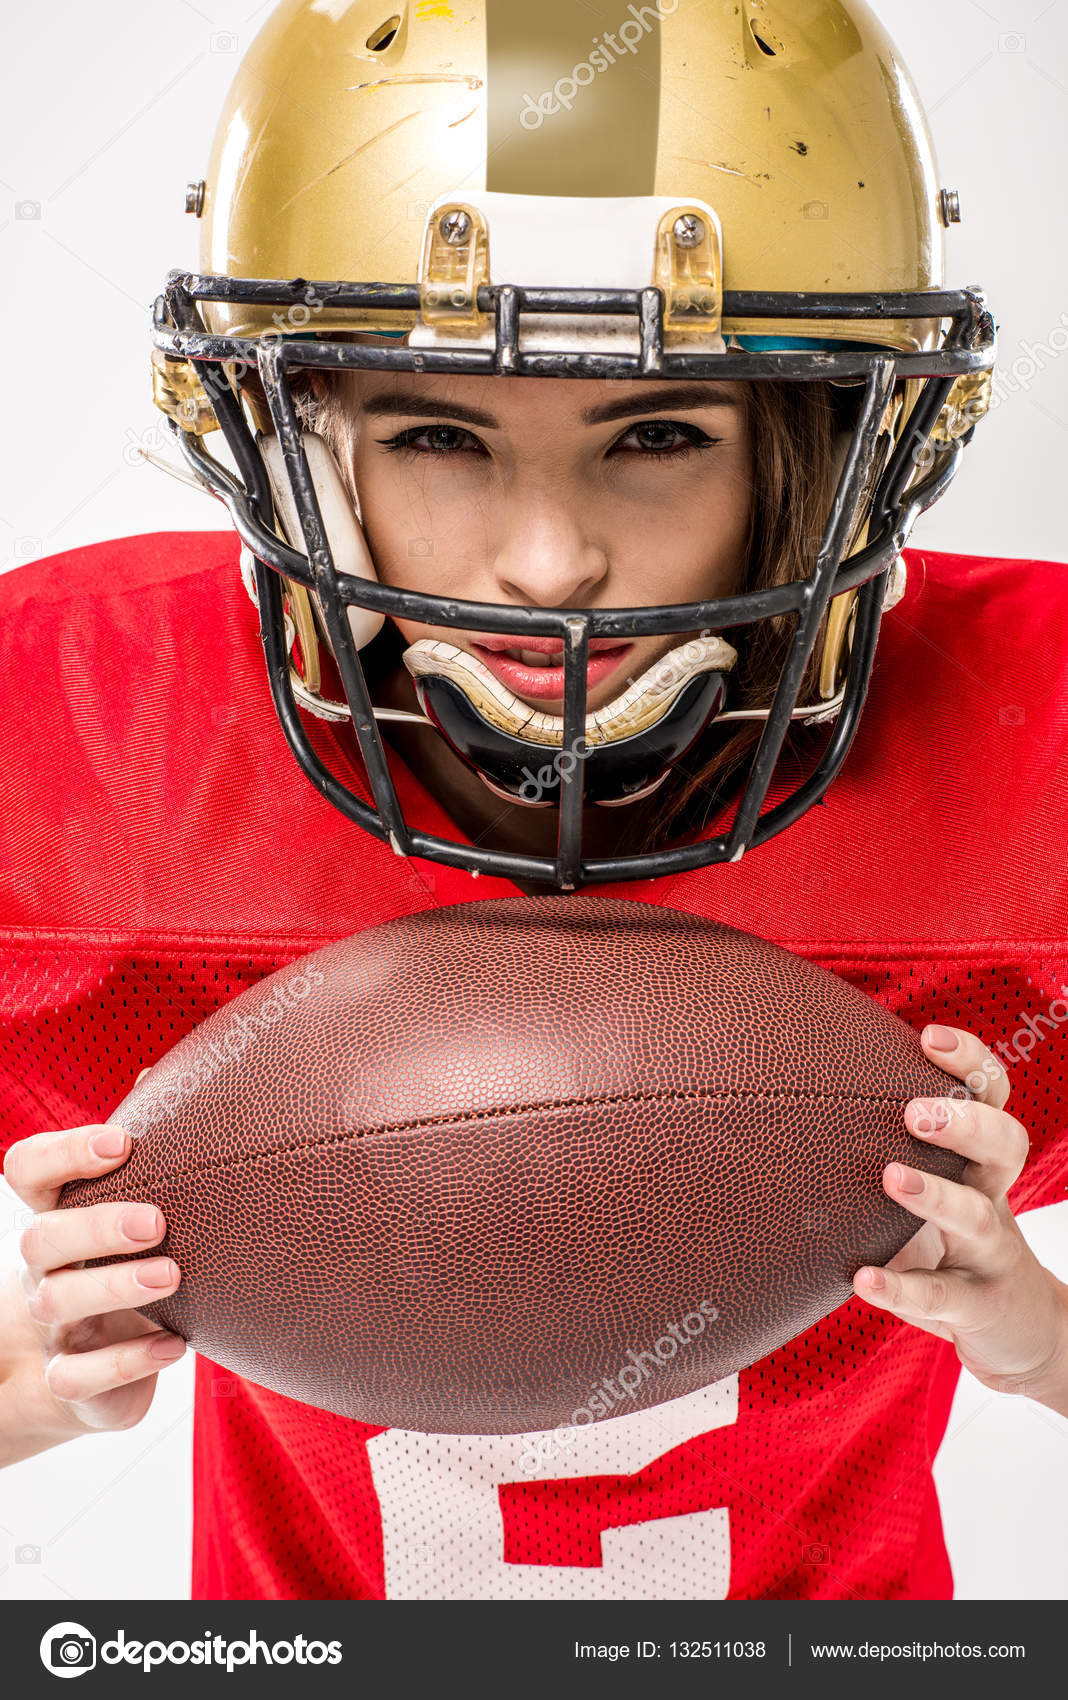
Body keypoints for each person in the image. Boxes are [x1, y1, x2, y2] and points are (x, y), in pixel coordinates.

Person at [2, 0, 1066, 1601]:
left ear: (815, 445)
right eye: (440, 432)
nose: (549, 564)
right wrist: (25, 1389)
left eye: (656, 434)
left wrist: (1035, 1337)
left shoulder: (1022, 746)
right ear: (308, 444)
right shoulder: (77, 729)